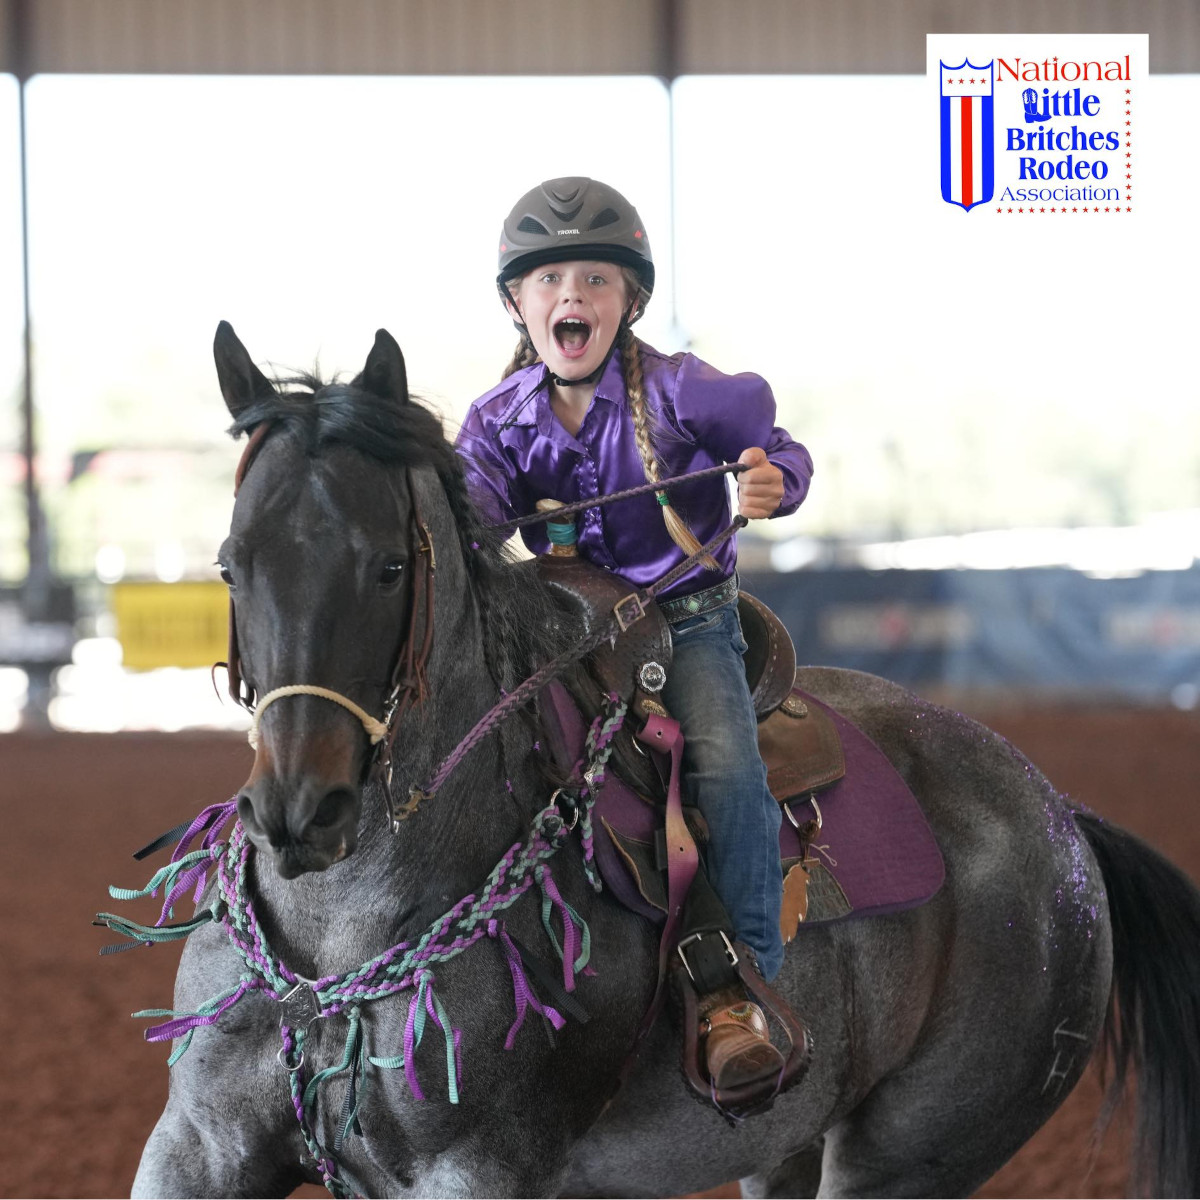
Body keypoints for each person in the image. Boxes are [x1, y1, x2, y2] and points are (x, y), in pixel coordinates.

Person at [455, 177, 813, 1090]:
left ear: (629, 301)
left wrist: (773, 481)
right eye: (548, 280)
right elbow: (471, 519)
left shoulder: (687, 391)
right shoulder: (497, 422)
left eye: (595, 279)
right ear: (518, 305)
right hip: (565, 634)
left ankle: (747, 982)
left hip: (687, 621)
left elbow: (780, 450)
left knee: (725, 764)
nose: (571, 294)